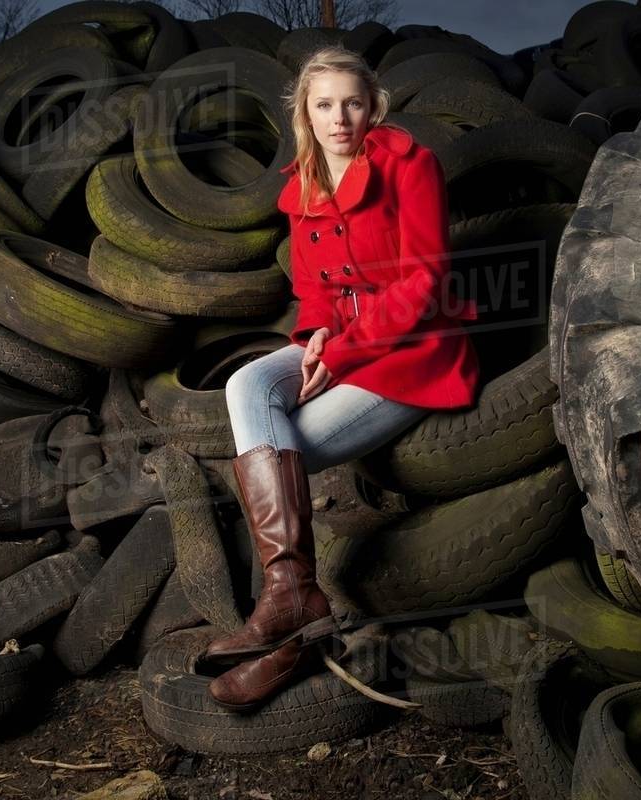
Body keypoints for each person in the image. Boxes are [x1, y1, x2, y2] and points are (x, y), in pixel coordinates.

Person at [204, 46, 481, 711]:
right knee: (246, 391)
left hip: (414, 350)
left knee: (276, 453)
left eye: (353, 103)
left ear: (373, 104)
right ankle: (293, 601)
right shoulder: (301, 185)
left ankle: (288, 636)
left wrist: (348, 348)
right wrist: (320, 333)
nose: (340, 118)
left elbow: (425, 282)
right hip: (347, 344)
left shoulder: (410, 165)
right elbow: (315, 291)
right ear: (304, 110)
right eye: (324, 104)